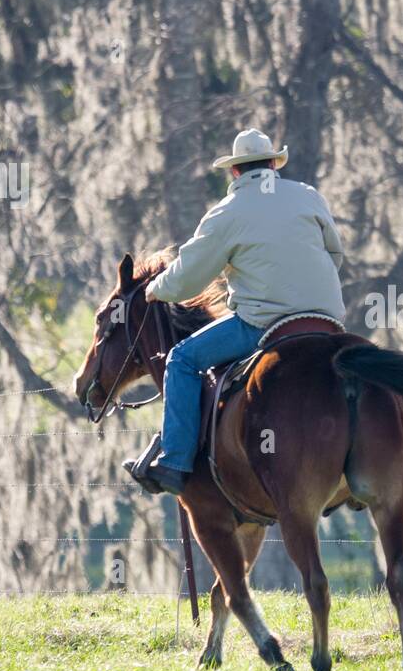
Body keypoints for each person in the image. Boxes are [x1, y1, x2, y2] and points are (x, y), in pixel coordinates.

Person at [136, 128, 346, 495]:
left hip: (264, 325)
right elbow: (335, 255)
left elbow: (187, 280)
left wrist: (155, 289)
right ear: (272, 164)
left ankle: (175, 461)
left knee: (181, 360)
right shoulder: (308, 196)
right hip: (326, 322)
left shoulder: (227, 213)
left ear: (235, 172)